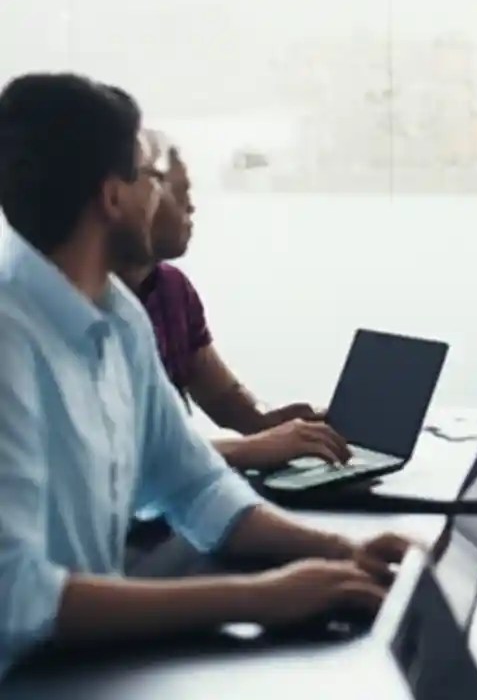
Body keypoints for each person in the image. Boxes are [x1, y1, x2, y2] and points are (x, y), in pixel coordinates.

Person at [0, 73, 410, 679]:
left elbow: (194, 486)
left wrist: (344, 554)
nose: (162, 195)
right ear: (112, 197)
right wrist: (259, 598)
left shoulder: (118, 317)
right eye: (150, 177)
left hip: (89, 664)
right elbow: (16, 597)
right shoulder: (10, 338)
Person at [115, 129, 350, 471]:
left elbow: (225, 400)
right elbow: (127, 456)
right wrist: (254, 448)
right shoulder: (80, 305)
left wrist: (286, 425)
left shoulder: (171, 288)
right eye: (180, 192)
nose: (192, 206)